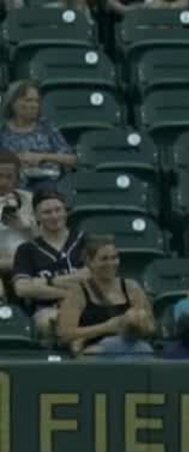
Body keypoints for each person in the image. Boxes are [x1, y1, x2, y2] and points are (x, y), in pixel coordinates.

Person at [55, 235, 153, 356]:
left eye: (114, 258)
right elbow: (65, 334)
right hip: (94, 353)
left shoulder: (132, 287)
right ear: (90, 262)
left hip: (131, 347)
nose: (110, 263)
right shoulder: (78, 292)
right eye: (104, 259)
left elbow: (151, 326)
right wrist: (106, 327)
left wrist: (135, 324)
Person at [10, 191, 83, 340]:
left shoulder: (84, 241)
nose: (54, 216)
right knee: (48, 321)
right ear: (36, 217)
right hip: (47, 308)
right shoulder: (27, 249)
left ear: (66, 212)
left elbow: (91, 276)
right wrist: (67, 293)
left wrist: (48, 282)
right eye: (47, 212)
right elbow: (22, 288)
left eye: (58, 210)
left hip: (87, 305)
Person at [0, 80, 77, 191]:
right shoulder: (2, 131)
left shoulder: (47, 127)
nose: (34, 105)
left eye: (36, 101)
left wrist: (41, 157)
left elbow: (72, 160)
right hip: (12, 185)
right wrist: (16, 159)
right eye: (28, 100)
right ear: (13, 103)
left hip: (47, 182)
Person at [0, 151, 36, 280]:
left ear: (17, 178)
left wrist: (26, 226)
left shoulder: (30, 199)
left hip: (25, 257)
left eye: (9, 177)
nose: (3, 182)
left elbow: (45, 239)